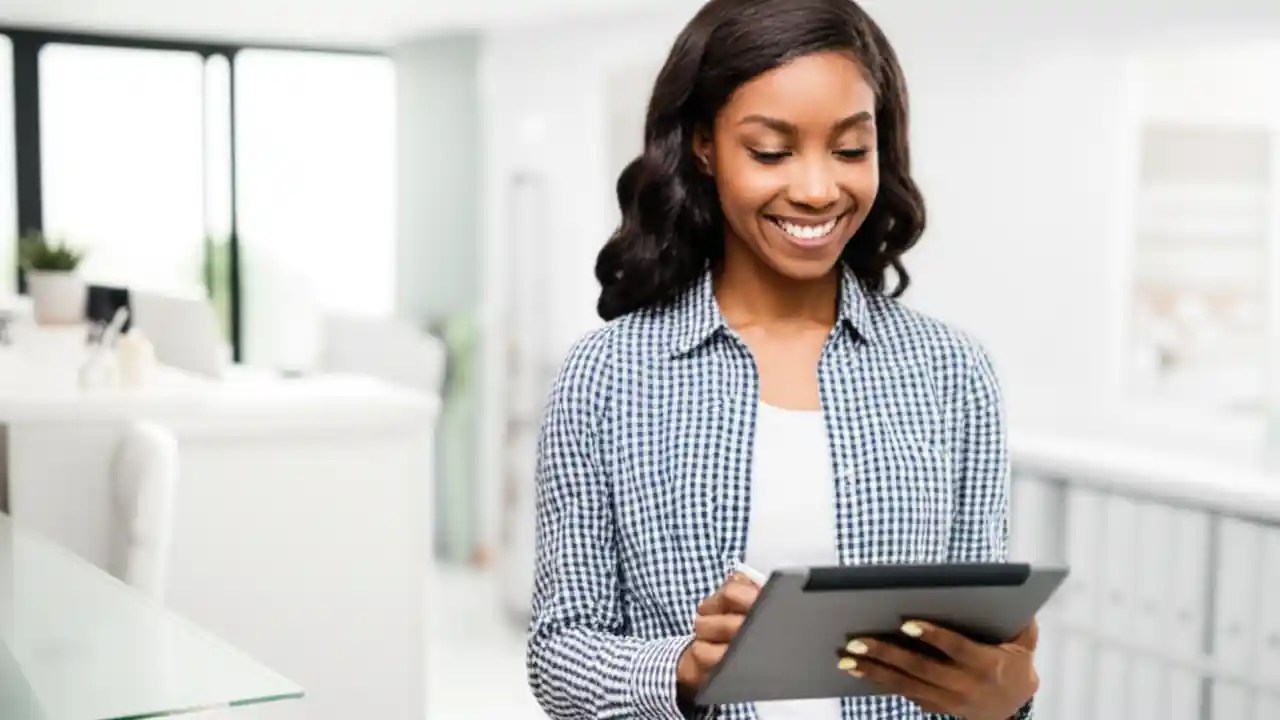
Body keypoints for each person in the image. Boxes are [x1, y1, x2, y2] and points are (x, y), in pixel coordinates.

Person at [526, 0, 1039, 718]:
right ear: (704, 144)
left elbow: (978, 648)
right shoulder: (607, 375)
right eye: (771, 150)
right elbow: (558, 654)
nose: (817, 189)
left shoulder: (952, 373)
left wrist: (1005, 699)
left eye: (851, 150)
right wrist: (683, 666)